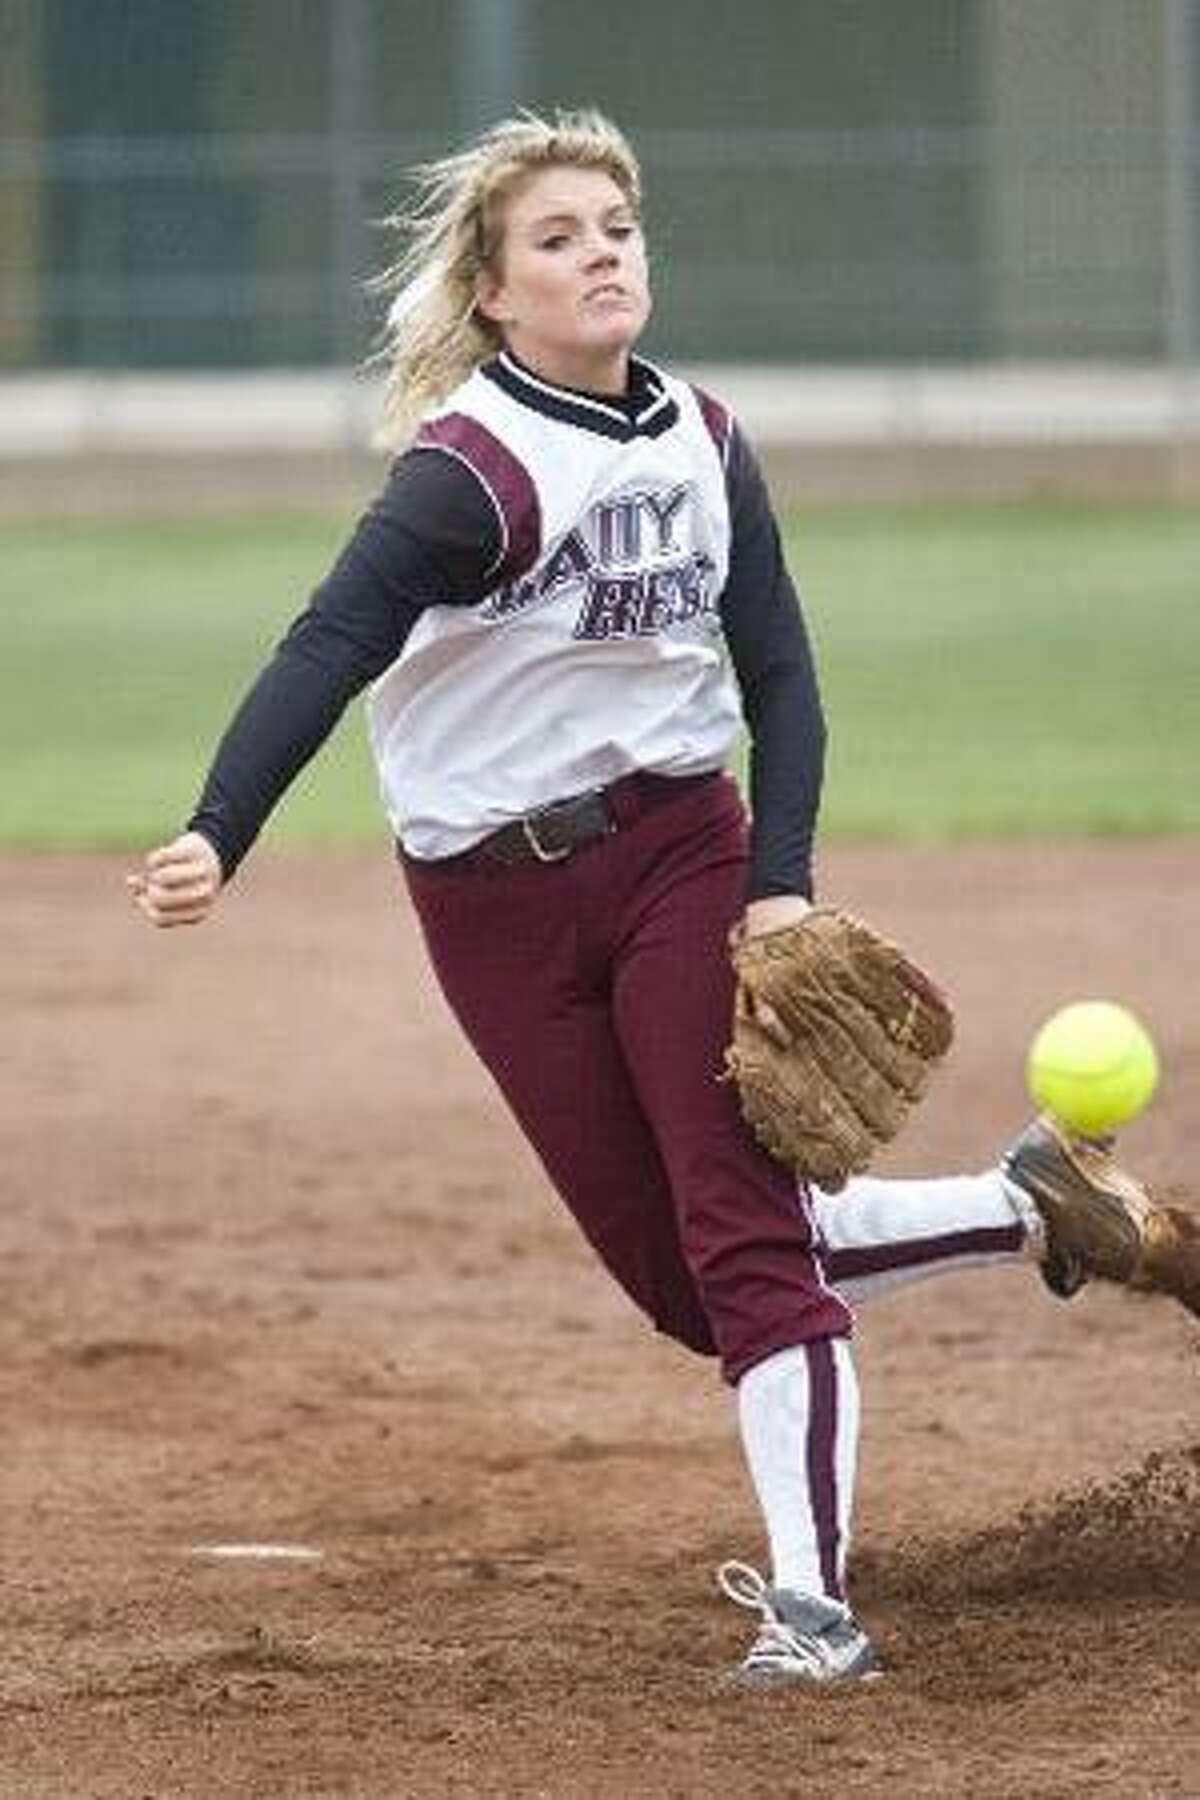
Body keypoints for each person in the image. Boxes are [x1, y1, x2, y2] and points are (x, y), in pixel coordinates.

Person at [128, 109, 1184, 1686]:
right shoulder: (467, 478)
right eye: (557, 238)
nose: (600, 253)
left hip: (678, 850)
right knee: (687, 1285)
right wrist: (223, 827)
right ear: (495, 293)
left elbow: (779, 673)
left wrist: (776, 884)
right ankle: (1026, 1203)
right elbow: (326, 647)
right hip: (487, 909)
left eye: (616, 227)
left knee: (748, 1240)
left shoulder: (703, 435)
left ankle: (817, 1610)